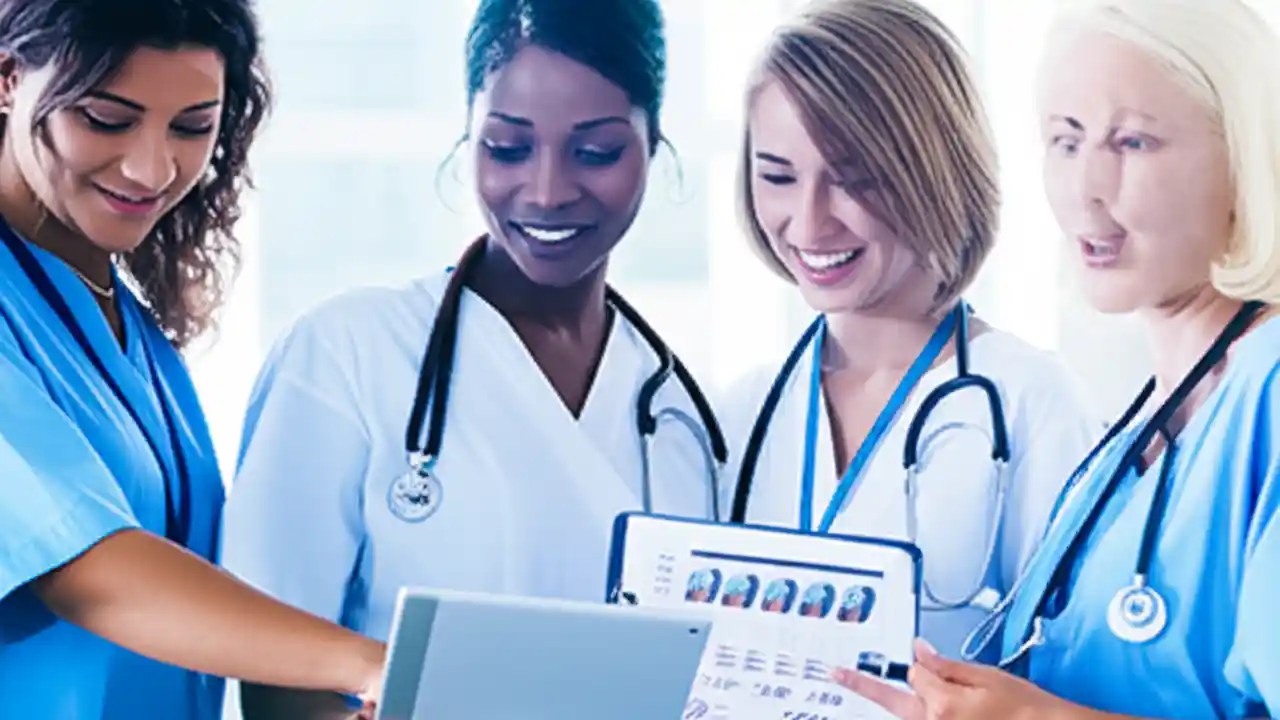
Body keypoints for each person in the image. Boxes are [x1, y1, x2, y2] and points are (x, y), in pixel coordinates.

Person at [218, 0, 725, 715]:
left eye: (597, 151)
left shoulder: (686, 416)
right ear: (467, 139)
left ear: (655, 146)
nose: (546, 191)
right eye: (508, 148)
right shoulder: (347, 356)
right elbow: (269, 680)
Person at [836, 0, 1280, 717]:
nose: (1085, 189)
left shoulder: (1268, 395)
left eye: (1133, 143)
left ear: (1248, 153)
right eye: (1066, 142)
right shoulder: (1146, 427)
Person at [0, 1, 385, 719]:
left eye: (191, 127)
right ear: (8, 79)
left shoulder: (128, 328)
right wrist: (370, 665)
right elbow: (92, 571)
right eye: (106, 119)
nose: (151, 167)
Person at [722, 0, 1100, 660]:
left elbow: (1071, 669)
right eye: (778, 177)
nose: (808, 225)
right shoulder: (744, 411)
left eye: (854, 181)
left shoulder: (1027, 403)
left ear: (936, 169)